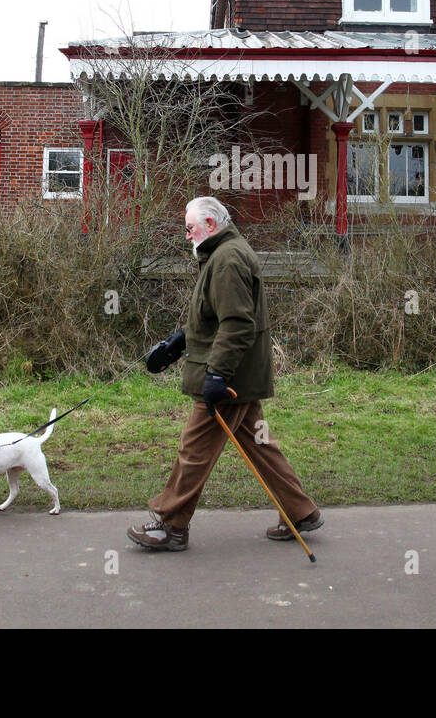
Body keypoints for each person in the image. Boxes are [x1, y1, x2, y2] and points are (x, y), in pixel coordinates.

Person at [128, 196, 322, 551]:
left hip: (230, 379)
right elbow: (217, 315)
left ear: (210, 226)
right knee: (259, 444)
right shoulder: (221, 253)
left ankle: (170, 525)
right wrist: (179, 342)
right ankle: (300, 511)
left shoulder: (227, 259)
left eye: (190, 229)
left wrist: (217, 374)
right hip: (241, 374)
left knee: (195, 449)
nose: (187, 236)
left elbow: (236, 324)